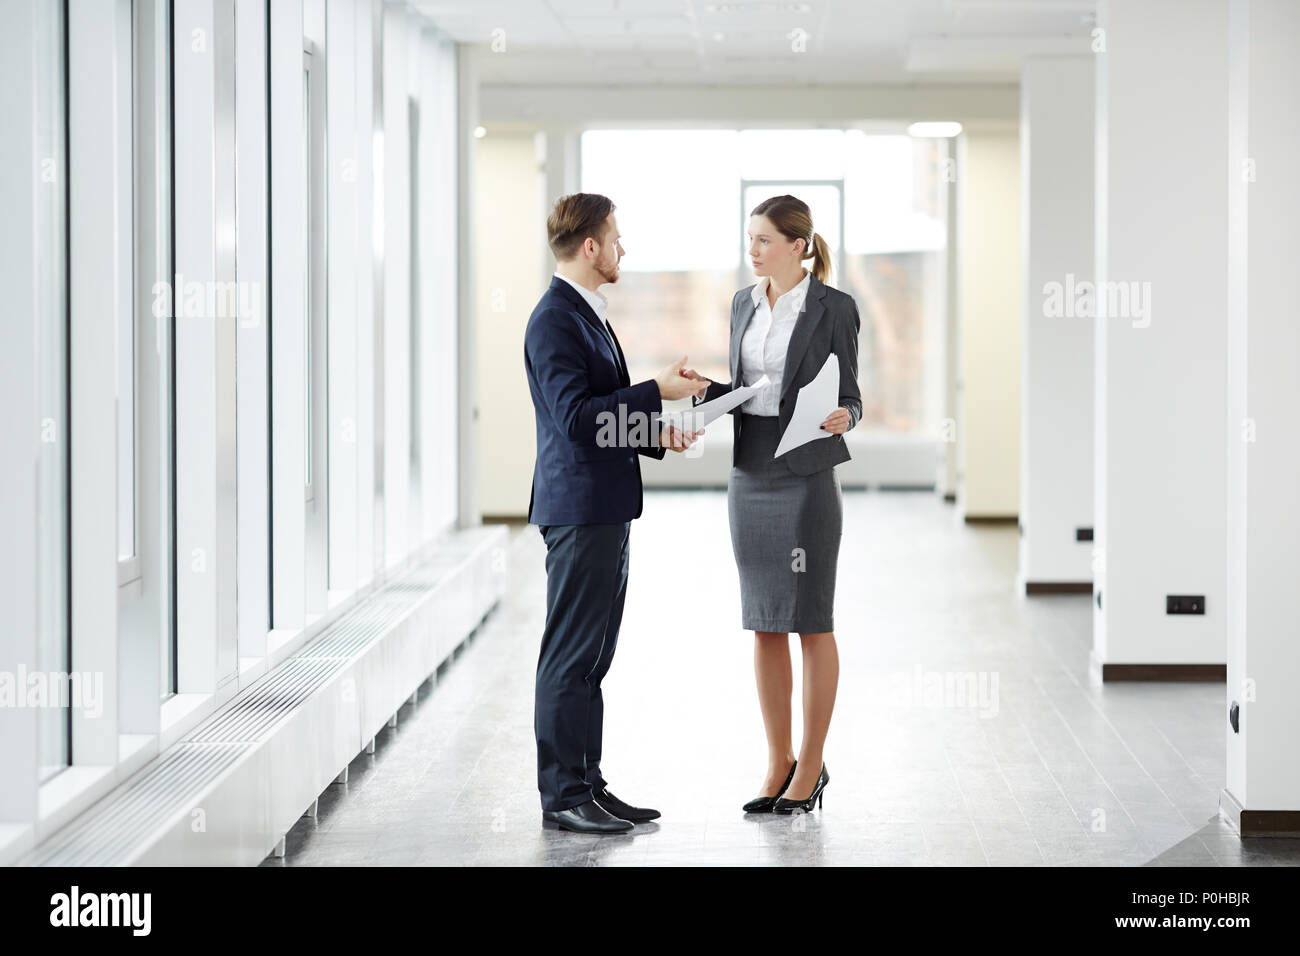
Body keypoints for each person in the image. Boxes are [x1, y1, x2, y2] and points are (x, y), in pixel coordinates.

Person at [523, 193, 708, 834]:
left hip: (603, 509)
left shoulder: (586, 315)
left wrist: (660, 432)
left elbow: (601, 415)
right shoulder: (554, 320)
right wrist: (656, 390)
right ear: (592, 246)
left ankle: (588, 786)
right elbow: (576, 421)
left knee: (593, 659)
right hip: (578, 512)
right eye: (617, 238)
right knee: (570, 657)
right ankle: (562, 794)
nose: (624, 248)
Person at [684, 194, 861, 815]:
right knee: (763, 620)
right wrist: (708, 392)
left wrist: (849, 415)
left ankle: (810, 767)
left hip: (807, 472)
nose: (752, 250)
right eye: (749, 238)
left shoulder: (834, 308)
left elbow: (852, 391)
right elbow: (749, 387)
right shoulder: (742, 303)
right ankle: (777, 760)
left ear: (798, 245)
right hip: (750, 470)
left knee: (811, 618)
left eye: (762, 240)